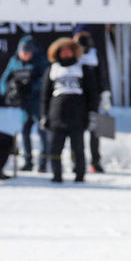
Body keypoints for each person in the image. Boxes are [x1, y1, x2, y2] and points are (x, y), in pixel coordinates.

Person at [40, 36, 97, 183]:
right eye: (63, 51)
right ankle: (56, 175)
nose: (66, 54)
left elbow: (92, 93)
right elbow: (45, 95)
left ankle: (80, 175)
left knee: (78, 148)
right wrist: (44, 115)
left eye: (69, 51)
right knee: (55, 148)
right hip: (57, 116)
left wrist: (92, 113)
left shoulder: (83, 69)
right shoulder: (52, 70)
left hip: (78, 115)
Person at [0, 35, 47, 172]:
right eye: (23, 53)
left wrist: (31, 86)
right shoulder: (14, 61)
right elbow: (4, 80)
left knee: (42, 131)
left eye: (28, 53)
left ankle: (43, 162)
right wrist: (9, 91)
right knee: (25, 131)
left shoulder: (40, 61)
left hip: (38, 103)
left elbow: (46, 81)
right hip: (24, 103)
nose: (25, 55)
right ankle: (28, 161)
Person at [73, 25, 112, 173]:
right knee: (76, 133)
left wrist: (105, 94)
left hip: (93, 99)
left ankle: (96, 162)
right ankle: (77, 162)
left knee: (95, 131)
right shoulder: (69, 52)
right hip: (75, 99)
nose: (83, 38)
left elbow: (102, 75)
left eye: (85, 35)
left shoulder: (95, 54)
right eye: (79, 35)